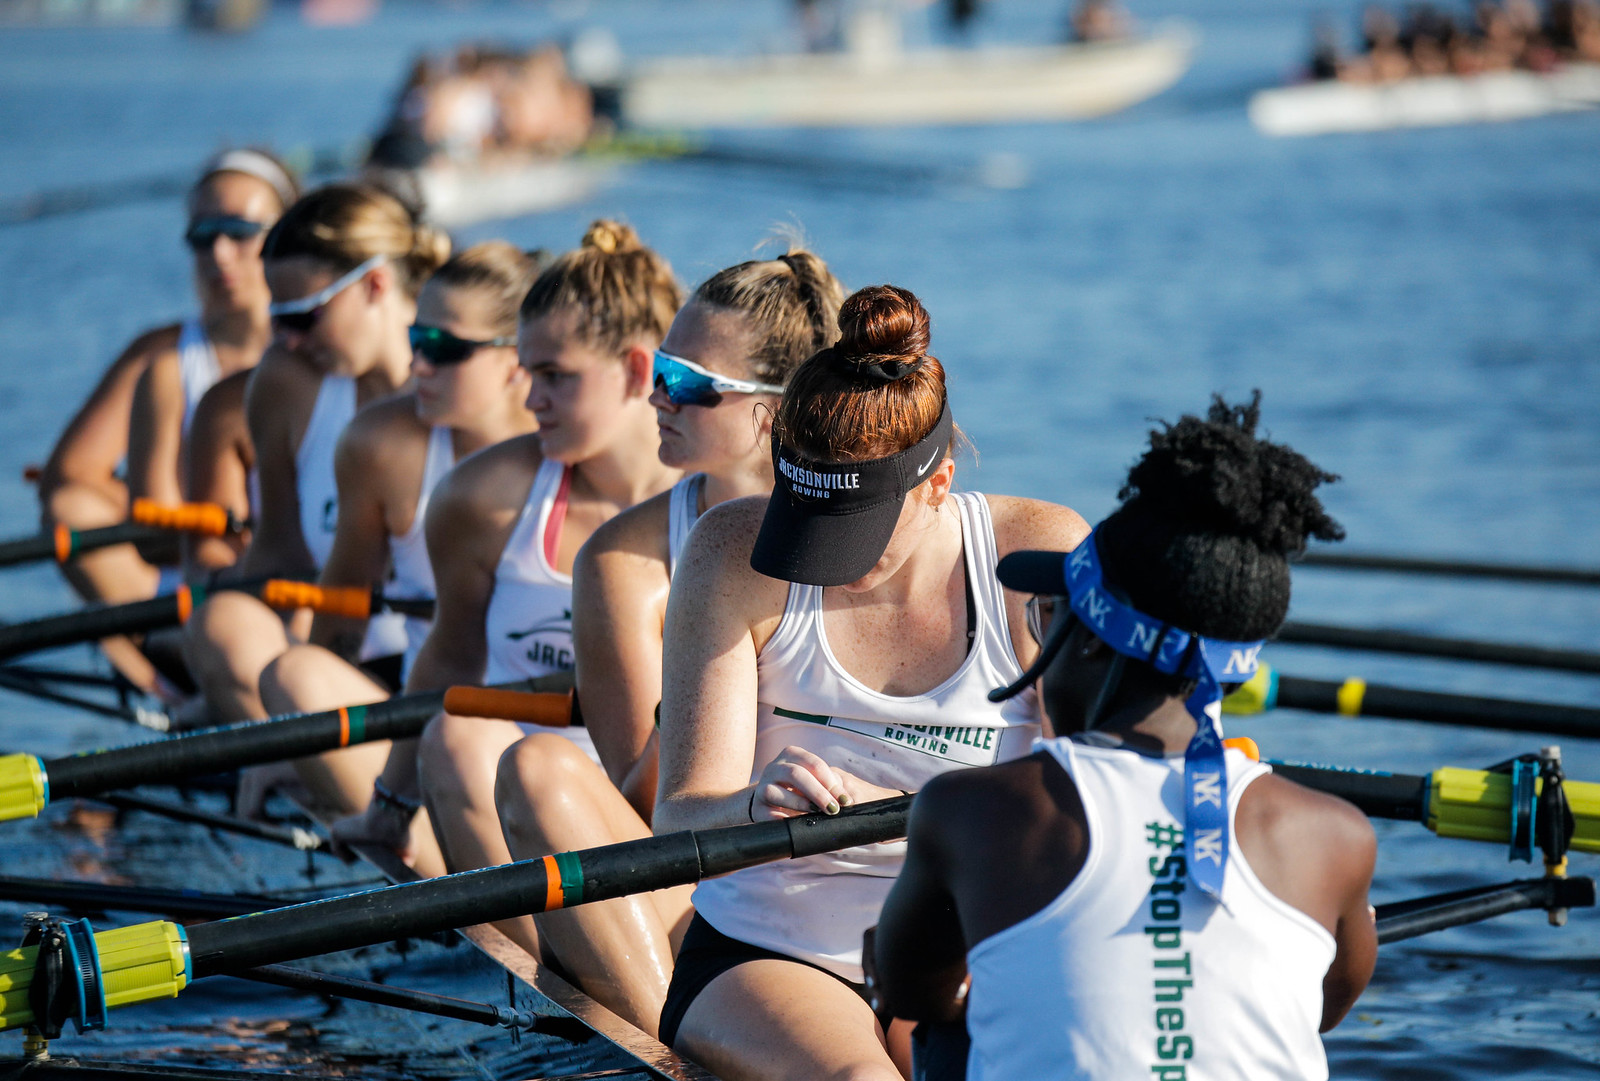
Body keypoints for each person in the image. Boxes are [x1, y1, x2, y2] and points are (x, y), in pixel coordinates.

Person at [652, 284, 1090, 1081]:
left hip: (972, 945)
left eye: (851, 534)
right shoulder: (727, 554)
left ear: (937, 483)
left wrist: (933, 827)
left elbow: (1090, 812)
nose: (824, 563)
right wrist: (752, 803)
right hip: (776, 947)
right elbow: (677, 817)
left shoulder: (1040, 558)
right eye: (805, 521)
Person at [872, 394, 1378, 1081]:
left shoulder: (970, 811)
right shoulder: (1338, 835)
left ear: (1088, 642)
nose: (1039, 632)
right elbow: (1322, 1007)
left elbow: (911, 992)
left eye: (1047, 613)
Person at [494, 245, 846, 1035]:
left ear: (774, 408)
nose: (656, 395)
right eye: (658, 369)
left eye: (686, 383)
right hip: (697, 891)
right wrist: (699, 671)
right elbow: (640, 811)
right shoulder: (622, 561)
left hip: (848, 878)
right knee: (539, 771)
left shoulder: (871, 541)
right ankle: (668, 1037)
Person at [332, 220, 681, 928]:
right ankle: (543, 967)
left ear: (638, 372)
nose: (531, 400)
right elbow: (451, 659)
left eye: (556, 375)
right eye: (529, 371)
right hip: (518, 812)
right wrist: (389, 808)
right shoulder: (481, 496)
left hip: (667, 819)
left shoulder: (722, 504)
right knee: (457, 735)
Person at [255, 242, 545, 823]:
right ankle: (400, 825)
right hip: (428, 718)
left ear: (517, 360)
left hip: (552, 739)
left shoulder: (584, 455)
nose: (417, 367)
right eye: (416, 341)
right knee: (293, 674)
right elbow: (340, 614)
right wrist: (298, 747)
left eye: (442, 349)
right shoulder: (380, 442)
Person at [180, 183, 450, 731]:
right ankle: (283, 757)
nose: (288, 341)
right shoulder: (285, 384)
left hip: (456, 689)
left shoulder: (468, 387)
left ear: (375, 284)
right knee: (222, 624)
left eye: (303, 317)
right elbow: (277, 557)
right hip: (343, 673)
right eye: (277, 319)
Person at [37, 149, 298, 698]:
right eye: (203, 235)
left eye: (241, 231)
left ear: (289, 237)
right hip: (192, 580)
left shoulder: (326, 351)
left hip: (297, 578)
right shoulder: (164, 359)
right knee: (69, 513)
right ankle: (165, 690)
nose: (220, 253)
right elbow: (72, 480)